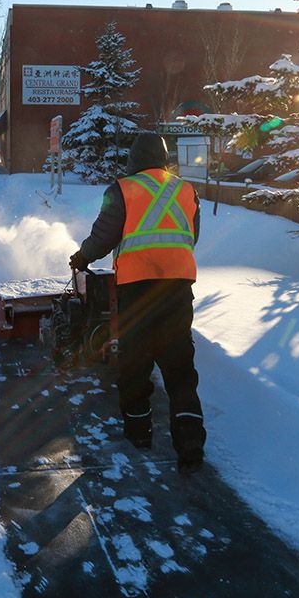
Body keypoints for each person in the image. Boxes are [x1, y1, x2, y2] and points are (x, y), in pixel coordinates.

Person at [70, 132, 206, 474]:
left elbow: (104, 237)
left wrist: (81, 257)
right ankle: (190, 442)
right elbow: (192, 235)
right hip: (177, 289)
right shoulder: (186, 190)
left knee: (135, 362)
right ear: (163, 158)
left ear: (133, 159)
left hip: (137, 290)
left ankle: (138, 434)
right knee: (180, 368)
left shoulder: (121, 189)